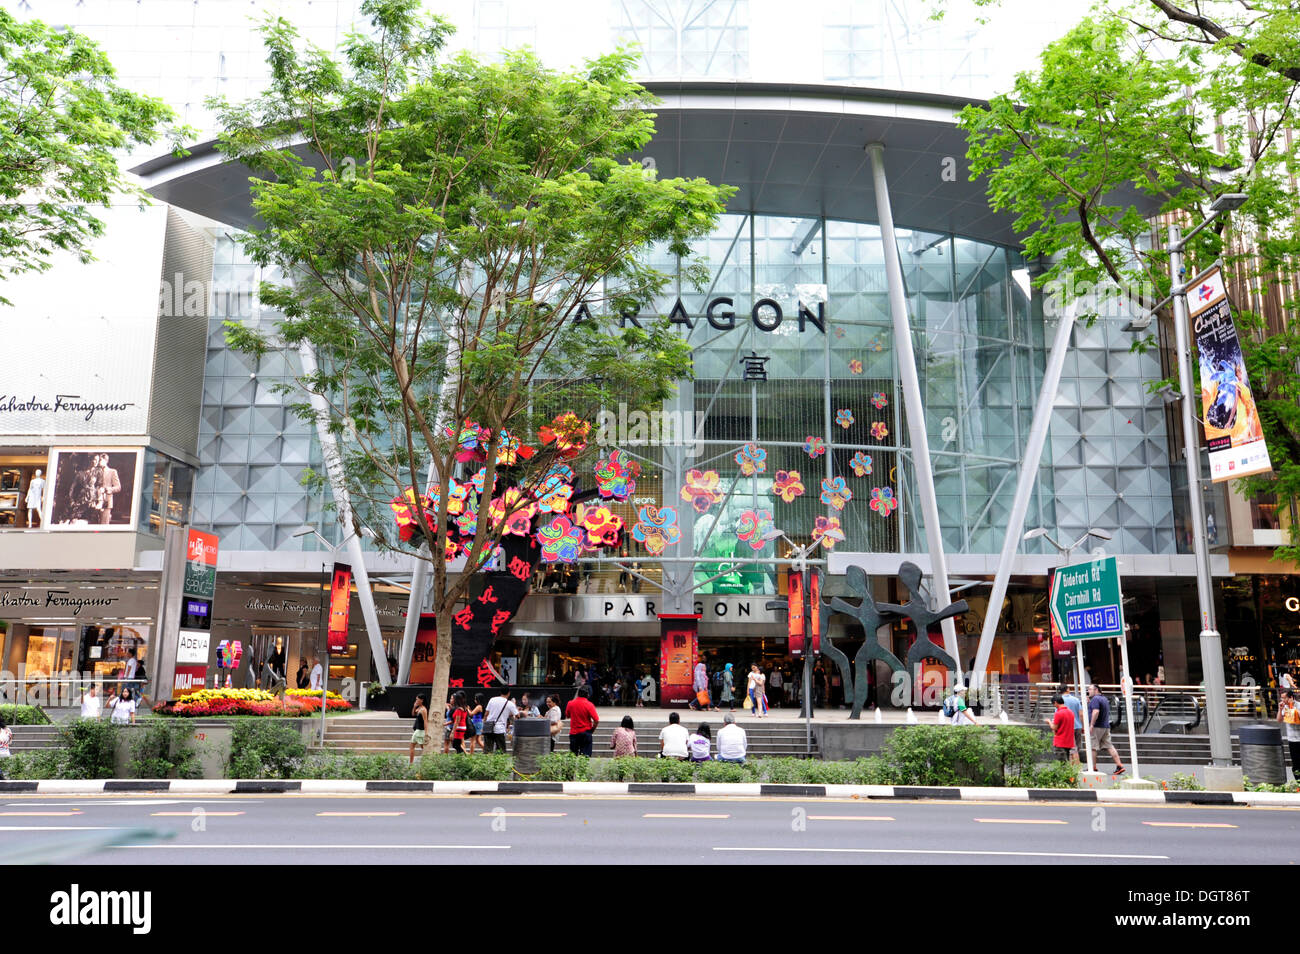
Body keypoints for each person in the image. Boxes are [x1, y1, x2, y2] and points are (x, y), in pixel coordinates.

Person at [1087, 684, 1126, 776]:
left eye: (1090, 689)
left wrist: (1091, 724)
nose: (1088, 691)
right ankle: (1119, 765)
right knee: (1109, 746)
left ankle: (1092, 767)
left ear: (1096, 690)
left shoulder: (1096, 699)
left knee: (1092, 747)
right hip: (1105, 725)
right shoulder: (1104, 699)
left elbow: (1096, 711)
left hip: (1097, 726)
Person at [565, 686, 599, 757]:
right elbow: (596, 720)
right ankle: (582, 768)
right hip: (586, 732)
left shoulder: (570, 703)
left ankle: (573, 768)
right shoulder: (589, 705)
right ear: (587, 695)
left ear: (578, 694)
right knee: (585, 756)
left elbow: (567, 715)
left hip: (574, 733)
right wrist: (592, 729)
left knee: (573, 755)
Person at [482, 688, 516, 753]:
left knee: (487, 750)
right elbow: (517, 716)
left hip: (489, 728)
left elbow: (486, 714)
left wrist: (484, 725)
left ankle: (486, 762)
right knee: (501, 750)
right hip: (500, 729)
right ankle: (498, 763)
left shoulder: (492, 699)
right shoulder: (510, 703)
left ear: (500, 692)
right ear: (508, 693)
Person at [1277, 690, 1300, 779]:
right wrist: (1280, 709)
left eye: (1284, 698)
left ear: (1291, 698)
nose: (1282, 700)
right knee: (1296, 763)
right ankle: (1298, 783)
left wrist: (1291, 707)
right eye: (1281, 697)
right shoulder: (1284, 707)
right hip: (1292, 740)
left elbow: (1294, 720)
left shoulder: (1298, 706)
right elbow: (1279, 720)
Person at [1060, 684, 1085, 763]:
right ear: (1067, 689)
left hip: (1067, 728)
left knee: (1072, 749)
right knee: (1076, 748)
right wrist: (1083, 726)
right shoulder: (1076, 700)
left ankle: (1075, 769)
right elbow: (1081, 714)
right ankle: (1075, 768)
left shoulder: (1059, 701)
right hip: (1078, 726)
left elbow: (1059, 715)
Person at [1049, 693, 1076, 762]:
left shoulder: (1058, 713)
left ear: (1055, 702)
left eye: (1053, 704)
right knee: (1066, 761)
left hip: (1060, 741)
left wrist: (1049, 722)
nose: (1054, 706)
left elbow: (1054, 727)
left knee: (1062, 764)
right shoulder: (1070, 712)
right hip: (1068, 741)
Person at [409, 693, 429, 764]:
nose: (416, 700)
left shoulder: (423, 709)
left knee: (423, 747)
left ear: (422, 700)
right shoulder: (419, 708)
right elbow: (413, 714)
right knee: (413, 746)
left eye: (417, 699)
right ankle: (411, 763)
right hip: (417, 730)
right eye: (416, 699)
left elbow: (425, 721)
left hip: (420, 731)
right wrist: (414, 707)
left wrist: (426, 733)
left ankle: (428, 761)